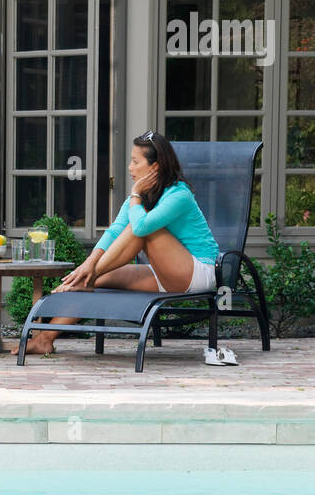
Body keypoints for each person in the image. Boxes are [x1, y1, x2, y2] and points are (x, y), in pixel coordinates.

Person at [19, 130, 218, 354]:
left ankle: (85, 277)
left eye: (135, 162)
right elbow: (114, 231)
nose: (130, 168)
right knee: (98, 279)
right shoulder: (143, 195)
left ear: (156, 166)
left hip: (197, 271)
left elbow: (141, 228)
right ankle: (45, 338)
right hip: (163, 273)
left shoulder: (178, 195)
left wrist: (135, 194)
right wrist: (90, 262)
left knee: (140, 228)